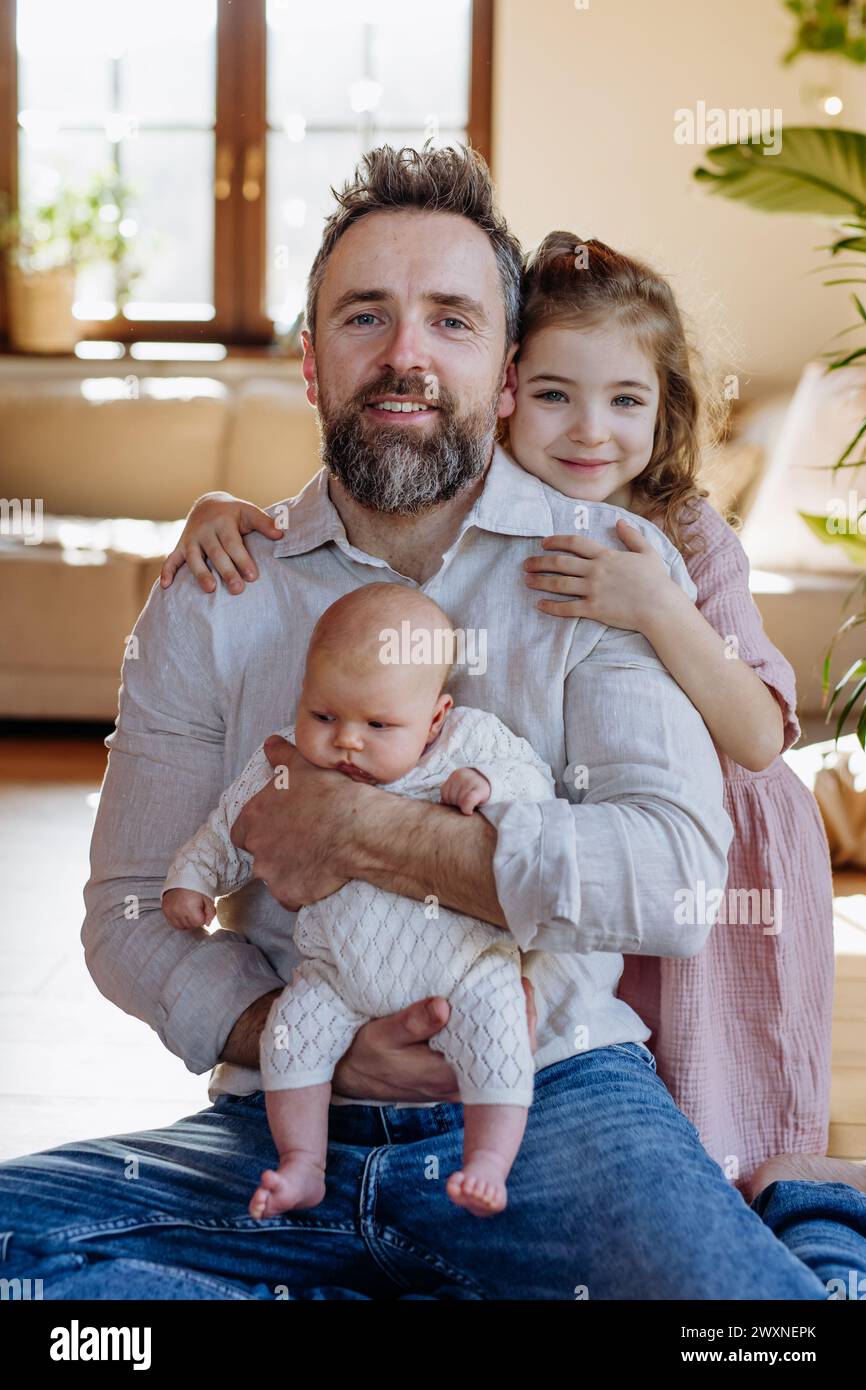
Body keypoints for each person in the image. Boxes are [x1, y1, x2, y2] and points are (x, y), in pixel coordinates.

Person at [1, 143, 863, 1301]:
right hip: (282, 1122)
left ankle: (817, 1228)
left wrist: (365, 834)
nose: (405, 354)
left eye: (449, 320)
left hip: (559, 1100)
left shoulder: (605, 565)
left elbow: (671, 879)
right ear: (310, 363)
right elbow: (123, 912)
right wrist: (287, 1031)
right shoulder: (218, 593)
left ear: (505, 371)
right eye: (366, 317)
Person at [175, 231, 835, 1192]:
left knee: (729, 1083)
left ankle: (802, 1210)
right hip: (590, 856)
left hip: (729, 840)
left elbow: (760, 735)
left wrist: (658, 604)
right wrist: (220, 506)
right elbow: (342, 520)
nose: (588, 432)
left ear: (666, 411)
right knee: (628, 1055)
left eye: (625, 401)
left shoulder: (685, 536)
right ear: (507, 389)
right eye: (556, 394)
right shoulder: (482, 519)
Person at [163, 583, 555, 1219]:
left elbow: (534, 781)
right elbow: (232, 823)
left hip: (465, 967)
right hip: (335, 976)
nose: (346, 741)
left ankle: (487, 1162)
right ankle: (302, 1164)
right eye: (323, 716)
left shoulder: (468, 743)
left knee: (503, 1034)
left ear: (435, 717)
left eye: (378, 725)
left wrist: (489, 783)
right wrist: (193, 879)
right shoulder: (285, 767)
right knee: (289, 1037)